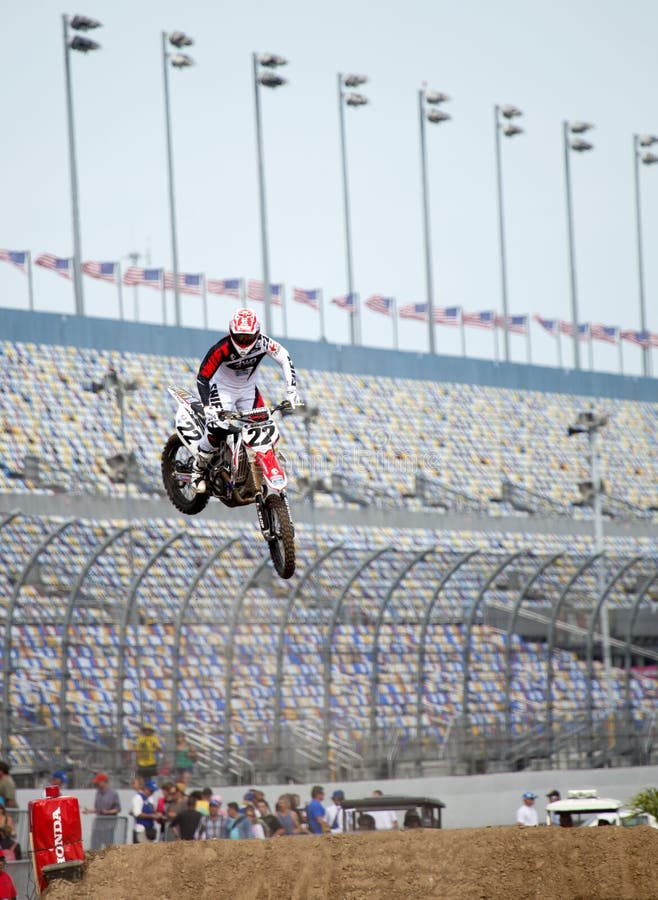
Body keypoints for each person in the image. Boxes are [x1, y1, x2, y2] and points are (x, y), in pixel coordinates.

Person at [192, 307, 302, 493]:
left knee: (263, 427)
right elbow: (203, 377)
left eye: (248, 337)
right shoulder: (221, 348)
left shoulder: (263, 343)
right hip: (223, 391)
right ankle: (198, 469)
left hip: (248, 391)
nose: (243, 342)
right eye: (240, 337)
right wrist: (207, 406)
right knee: (216, 428)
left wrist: (291, 391)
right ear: (231, 332)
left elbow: (284, 357)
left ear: (257, 333)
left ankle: (256, 467)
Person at [83, 773, 121, 851]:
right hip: (98, 825)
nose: (97, 784)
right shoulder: (98, 793)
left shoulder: (113, 793)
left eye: (98, 782)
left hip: (109, 826)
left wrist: (108, 812)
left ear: (104, 782)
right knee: (95, 847)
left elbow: (118, 809)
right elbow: (97, 809)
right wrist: (89, 811)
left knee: (108, 848)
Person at [130, 777, 160, 843]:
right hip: (141, 829)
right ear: (146, 789)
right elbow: (137, 814)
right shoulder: (138, 797)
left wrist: (157, 814)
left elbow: (152, 810)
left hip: (149, 829)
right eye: (151, 791)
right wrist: (151, 816)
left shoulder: (148, 799)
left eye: (153, 791)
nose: (152, 793)